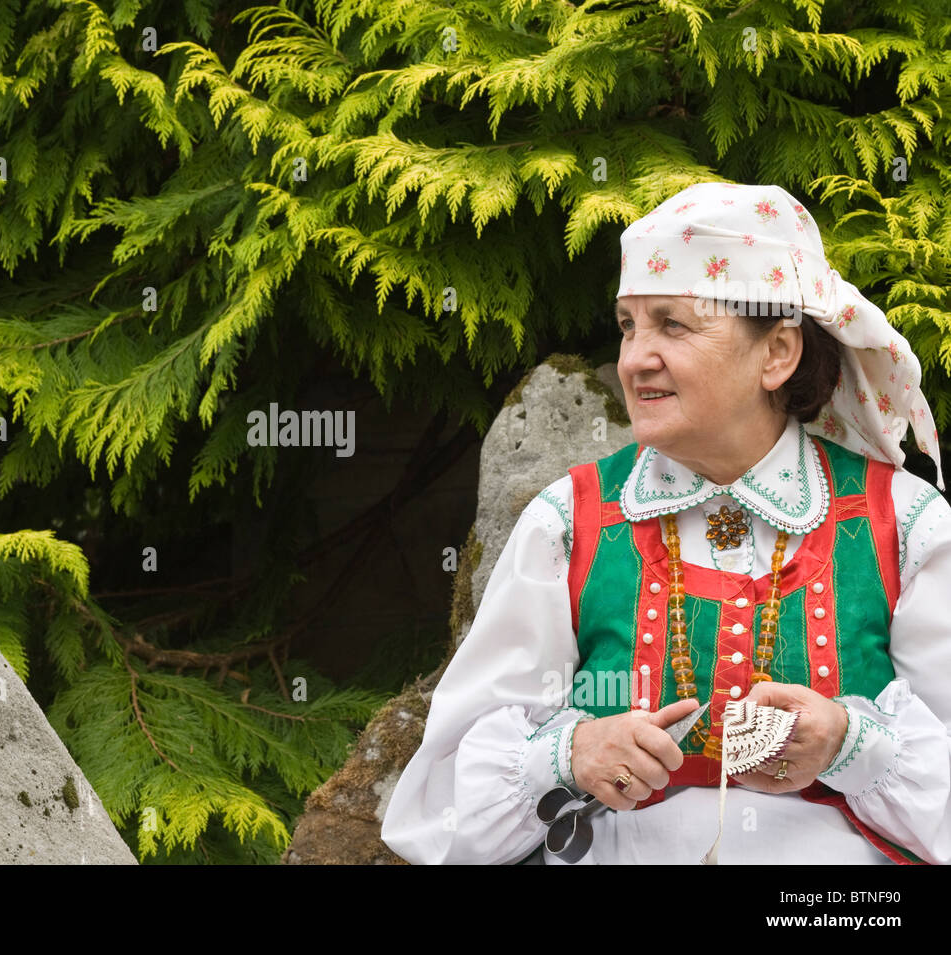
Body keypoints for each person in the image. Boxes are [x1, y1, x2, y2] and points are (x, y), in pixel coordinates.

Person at [380, 181, 951, 864]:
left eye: (673, 324)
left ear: (777, 353)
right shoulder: (567, 526)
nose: (633, 358)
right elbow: (438, 811)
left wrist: (851, 744)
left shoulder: (903, 526)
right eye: (628, 325)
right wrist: (568, 753)